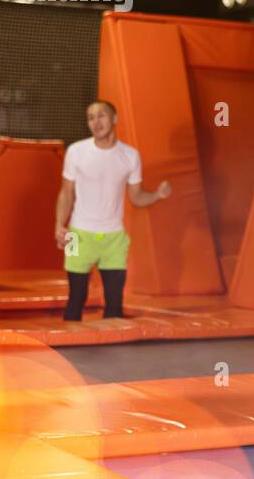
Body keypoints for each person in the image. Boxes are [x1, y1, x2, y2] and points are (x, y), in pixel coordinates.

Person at [55, 99, 171, 320]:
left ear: (114, 119)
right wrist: (59, 225)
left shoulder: (130, 155)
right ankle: (67, 354)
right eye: (90, 117)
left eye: (101, 115)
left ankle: (113, 355)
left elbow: (136, 197)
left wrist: (157, 195)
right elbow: (66, 192)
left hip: (115, 238)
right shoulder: (76, 151)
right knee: (76, 297)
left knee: (115, 304)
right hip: (77, 236)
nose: (95, 121)